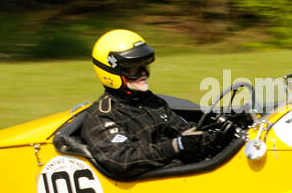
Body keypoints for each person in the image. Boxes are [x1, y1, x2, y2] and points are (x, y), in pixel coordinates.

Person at [83, 29, 240, 180]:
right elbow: (121, 161)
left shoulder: (151, 102)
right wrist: (175, 146)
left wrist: (217, 135)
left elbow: (186, 133)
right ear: (111, 72)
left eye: (144, 65)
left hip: (183, 175)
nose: (143, 73)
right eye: (133, 69)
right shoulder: (102, 116)